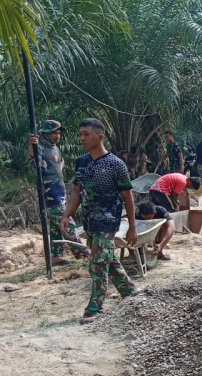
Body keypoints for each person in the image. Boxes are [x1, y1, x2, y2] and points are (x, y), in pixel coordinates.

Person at [61, 118, 138, 325]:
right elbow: (76, 191)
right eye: (80, 134)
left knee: (97, 264)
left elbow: (127, 196)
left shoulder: (115, 164)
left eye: (86, 134)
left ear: (100, 136)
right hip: (90, 223)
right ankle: (131, 294)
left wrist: (132, 226)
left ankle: (94, 309)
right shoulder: (81, 162)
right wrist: (67, 214)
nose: (82, 138)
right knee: (108, 261)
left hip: (108, 221)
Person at [28, 120, 89, 265]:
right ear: (45, 134)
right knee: (67, 223)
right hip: (51, 196)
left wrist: (56, 172)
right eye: (54, 133)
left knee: (56, 228)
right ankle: (83, 253)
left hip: (59, 193)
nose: (57, 136)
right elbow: (32, 153)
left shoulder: (55, 149)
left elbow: (61, 161)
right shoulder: (40, 147)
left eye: (58, 133)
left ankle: (56, 256)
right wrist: (32, 143)